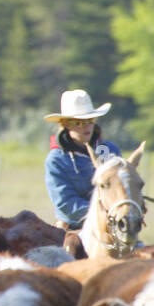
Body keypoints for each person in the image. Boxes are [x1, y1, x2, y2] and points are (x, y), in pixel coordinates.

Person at [43, 89, 122, 230]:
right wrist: (104, 212)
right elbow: (66, 203)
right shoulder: (56, 160)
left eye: (90, 120)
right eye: (79, 122)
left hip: (114, 225)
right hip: (73, 228)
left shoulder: (111, 151)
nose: (87, 126)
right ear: (66, 124)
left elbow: (122, 187)